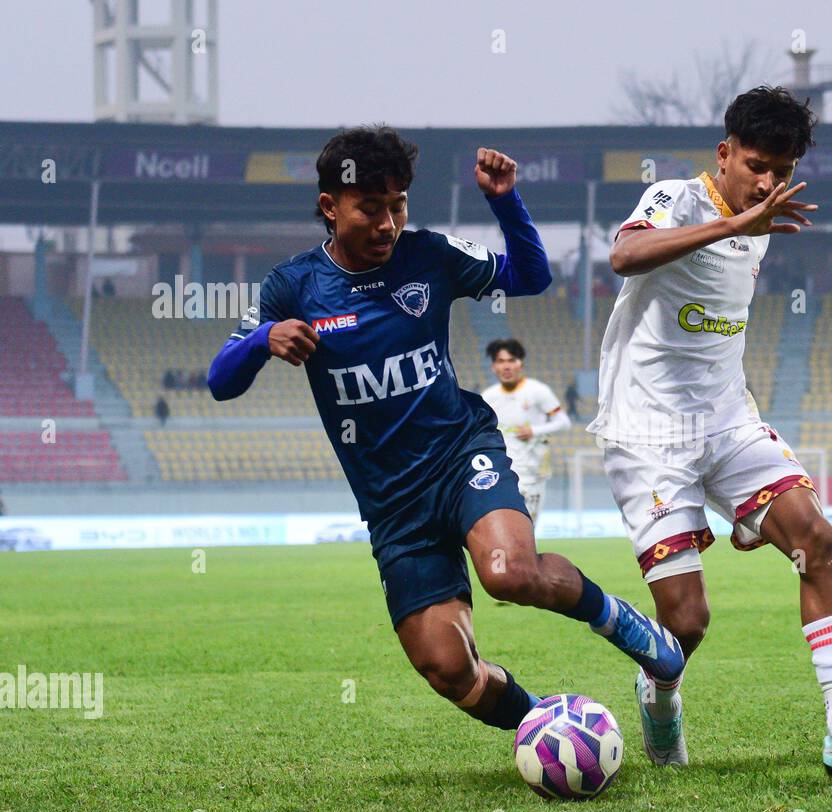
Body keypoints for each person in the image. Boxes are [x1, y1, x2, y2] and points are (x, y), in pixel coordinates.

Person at [208, 125, 682, 744]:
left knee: (509, 572)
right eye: (370, 208)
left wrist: (505, 201)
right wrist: (260, 340)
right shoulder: (292, 286)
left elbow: (531, 277)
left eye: (398, 204)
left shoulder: (428, 254)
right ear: (330, 207)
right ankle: (554, 729)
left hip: (460, 455)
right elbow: (221, 380)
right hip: (392, 506)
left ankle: (632, 630)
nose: (388, 223)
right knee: (449, 670)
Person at [590, 86, 832, 776]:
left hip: (728, 423)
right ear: (724, 155)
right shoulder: (679, 199)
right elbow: (623, 255)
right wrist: (734, 226)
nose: (768, 184)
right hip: (646, 433)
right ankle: (660, 691)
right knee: (687, 622)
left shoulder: (760, 221)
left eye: (782, 171)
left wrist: (742, 475)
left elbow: (719, 340)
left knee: (816, 537)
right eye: (757, 165)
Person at [480, 338, 570, 521]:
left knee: (527, 530)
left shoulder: (537, 391)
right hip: (501, 475)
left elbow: (563, 422)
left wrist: (534, 431)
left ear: (520, 364)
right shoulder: (488, 397)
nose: (506, 366)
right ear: (493, 367)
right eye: (501, 361)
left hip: (532, 475)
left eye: (511, 360)